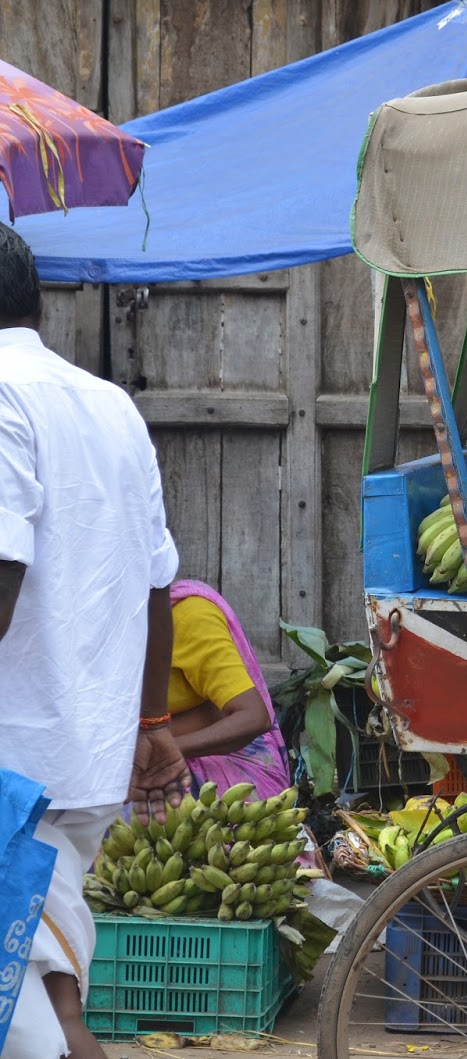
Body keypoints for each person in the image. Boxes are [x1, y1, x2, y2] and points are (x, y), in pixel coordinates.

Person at [0, 225, 188, 1059]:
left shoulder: (2, 396)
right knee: (50, 980)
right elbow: (158, 584)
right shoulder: (109, 403)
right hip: (88, 754)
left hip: (14, 758)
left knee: (33, 1015)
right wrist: (151, 725)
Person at [167, 580, 293, 799]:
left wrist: (158, 752)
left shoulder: (188, 614)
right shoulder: (107, 628)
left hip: (223, 767)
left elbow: (252, 717)